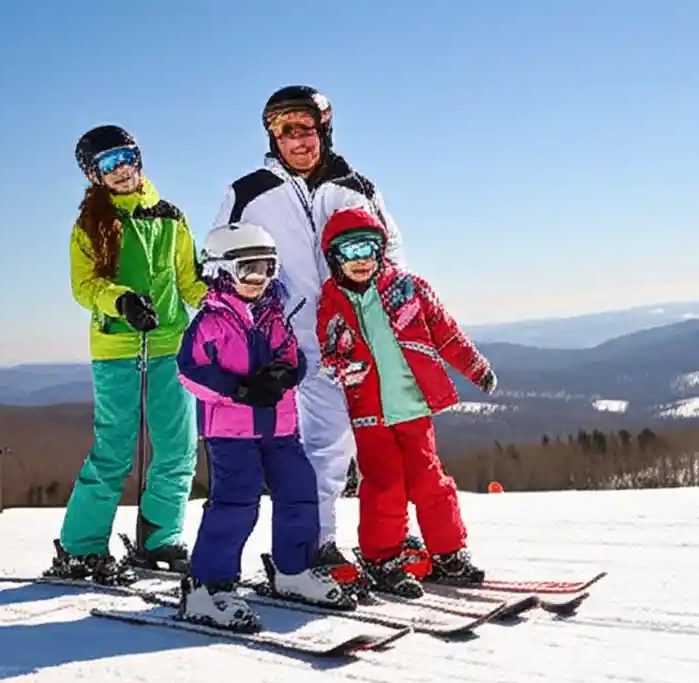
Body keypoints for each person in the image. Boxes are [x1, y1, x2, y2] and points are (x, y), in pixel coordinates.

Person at [210, 85, 405, 582]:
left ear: (325, 130)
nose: (298, 141)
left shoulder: (357, 186)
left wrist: (387, 313)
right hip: (289, 340)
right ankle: (314, 547)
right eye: (285, 131)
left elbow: (391, 252)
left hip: (353, 336)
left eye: (307, 129)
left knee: (370, 445)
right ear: (272, 137)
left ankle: (381, 545)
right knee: (316, 448)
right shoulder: (250, 192)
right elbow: (218, 265)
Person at [174, 222, 357, 632]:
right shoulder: (209, 322)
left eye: (267, 268)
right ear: (221, 270)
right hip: (231, 434)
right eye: (248, 269)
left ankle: (294, 569)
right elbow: (190, 373)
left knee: (299, 492)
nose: (259, 279)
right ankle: (209, 586)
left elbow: (294, 357)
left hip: (280, 428)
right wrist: (237, 389)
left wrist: (285, 373)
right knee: (236, 505)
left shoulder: (275, 315)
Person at [46, 125, 206, 585]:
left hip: (171, 347)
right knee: (114, 450)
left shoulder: (170, 218)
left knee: (177, 448)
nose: (119, 171)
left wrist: (224, 299)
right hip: (117, 349)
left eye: (123, 158)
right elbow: (85, 286)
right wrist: (122, 301)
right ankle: (81, 549)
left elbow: (189, 281)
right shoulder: (91, 224)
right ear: (95, 176)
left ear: (138, 158)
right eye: (106, 166)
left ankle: (160, 539)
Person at [316, 206, 496, 598]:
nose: (361, 260)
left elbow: (447, 333)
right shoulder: (331, 300)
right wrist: (342, 361)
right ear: (333, 258)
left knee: (431, 481)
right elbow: (328, 347)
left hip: (413, 406)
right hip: (370, 412)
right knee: (385, 485)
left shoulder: (408, 289)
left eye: (368, 248)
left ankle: (448, 551)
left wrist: (476, 367)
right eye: (349, 252)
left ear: (382, 250)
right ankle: (383, 557)